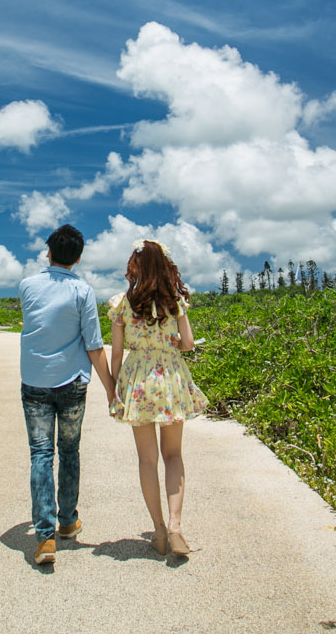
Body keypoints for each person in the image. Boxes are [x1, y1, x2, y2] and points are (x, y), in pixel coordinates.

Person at [18, 224, 115, 566]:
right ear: (78, 257)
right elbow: (93, 344)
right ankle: (68, 521)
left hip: (34, 382)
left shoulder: (27, 286)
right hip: (72, 383)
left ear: (48, 251)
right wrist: (112, 389)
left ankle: (44, 537)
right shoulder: (82, 290)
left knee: (41, 455)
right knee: (69, 451)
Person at [108, 238, 209, 557]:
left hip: (138, 379)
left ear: (136, 266)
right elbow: (189, 343)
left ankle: (159, 530)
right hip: (170, 378)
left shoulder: (123, 303)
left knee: (147, 459)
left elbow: (117, 352)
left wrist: (113, 389)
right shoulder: (175, 301)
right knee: (174, 455)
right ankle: (177, 528)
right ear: (164, 267)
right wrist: (172, 344)